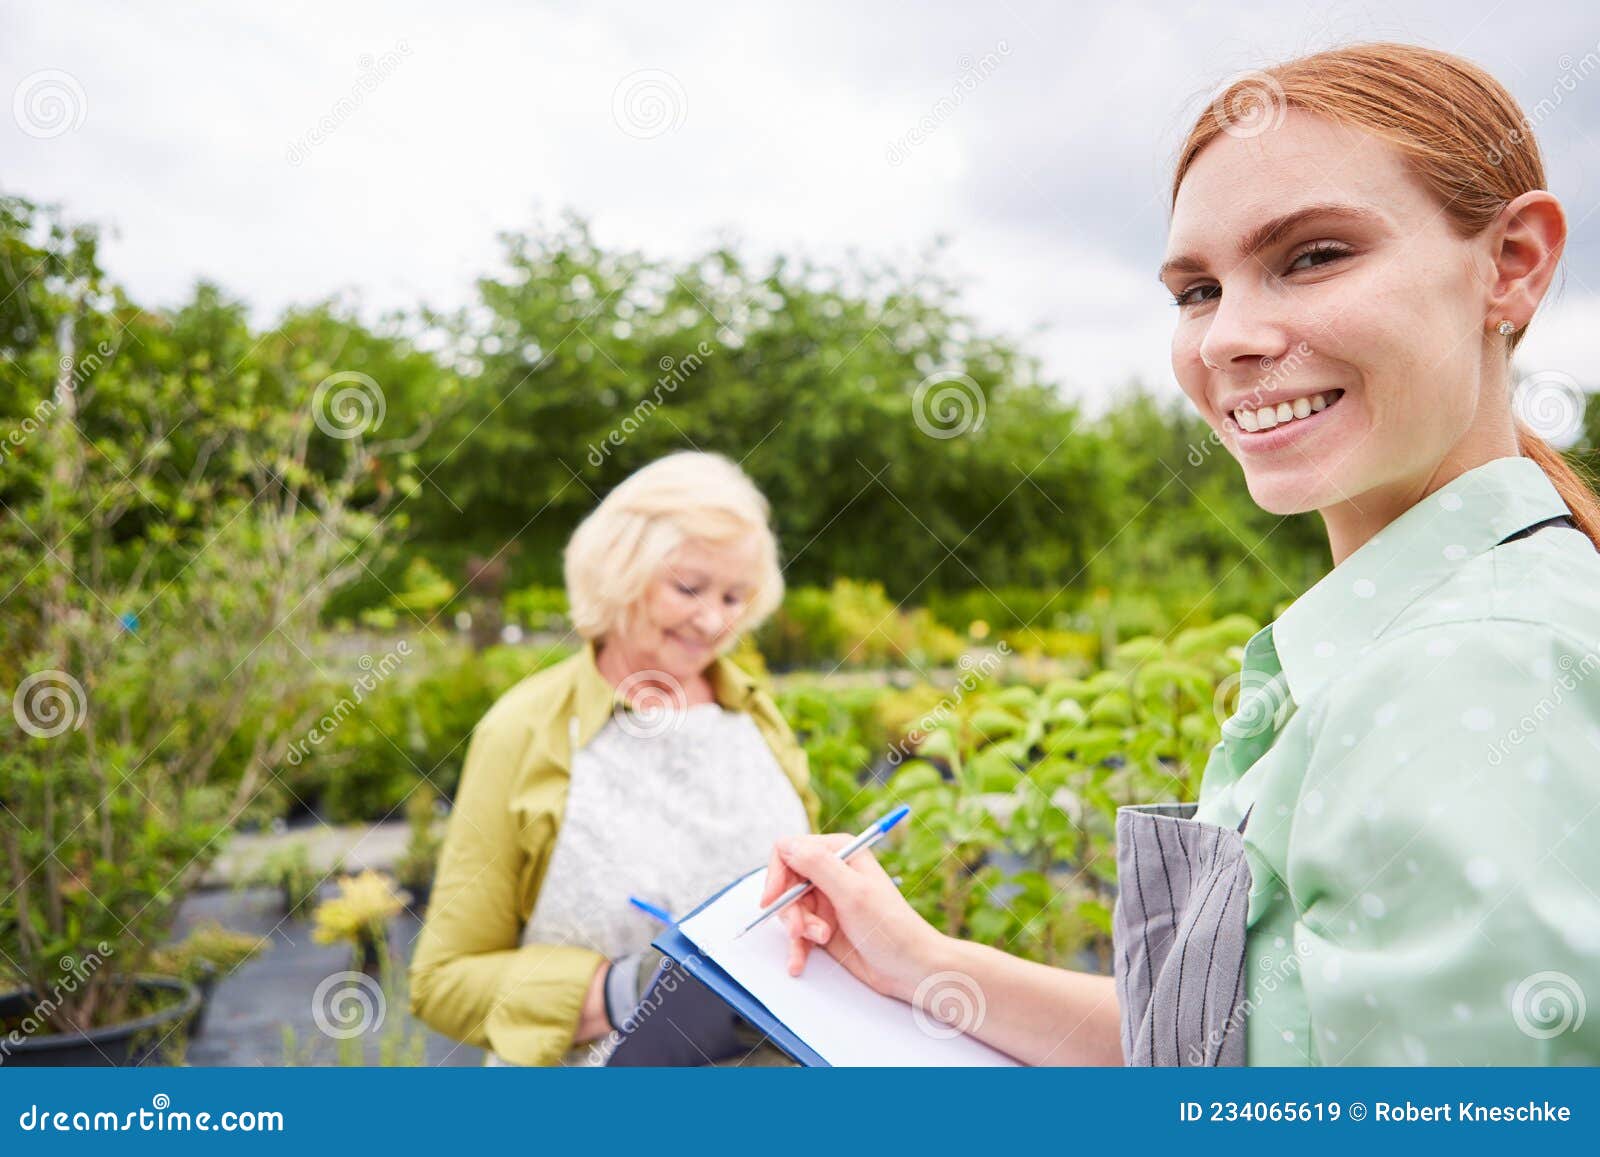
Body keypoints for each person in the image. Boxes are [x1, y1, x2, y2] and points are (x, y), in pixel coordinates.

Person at [761, 42, 1600, 1066]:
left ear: (1510, 265)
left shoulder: (1471, 661)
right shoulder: (1442, 625)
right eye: (1196, 290)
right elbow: (1248, 1052)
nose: (1226, 338)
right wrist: (916, 958)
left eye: (1314, 254)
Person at [409, 451, 819, 1065]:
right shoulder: (524, 731)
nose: (712, 620)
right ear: (619, 575)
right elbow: (442, 981)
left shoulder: (756, 716)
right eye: (688, 588)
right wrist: (623, 990)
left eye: (735, 597)